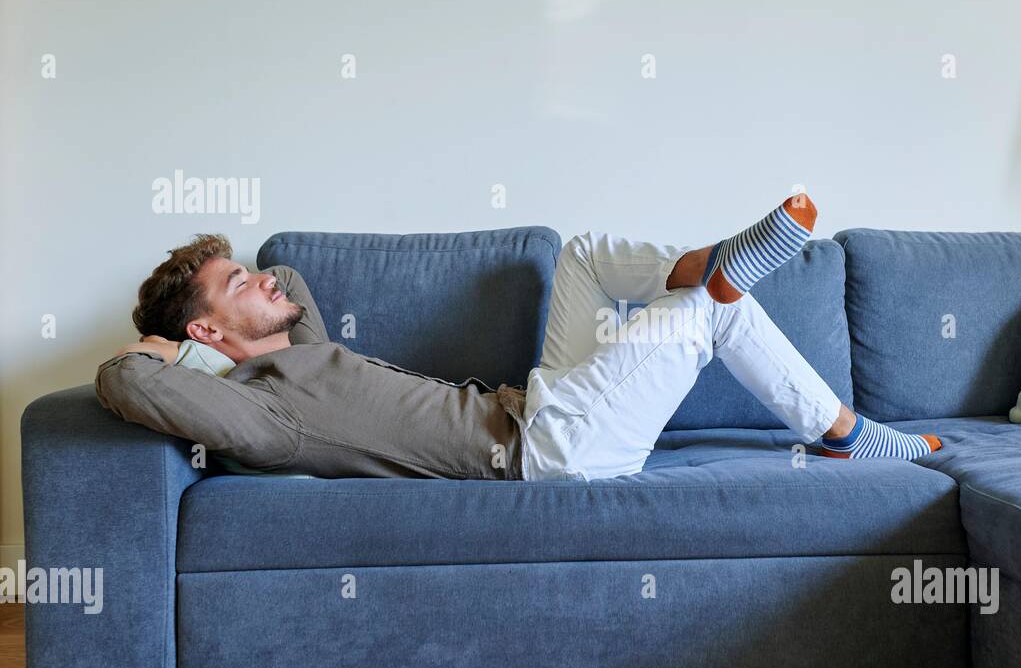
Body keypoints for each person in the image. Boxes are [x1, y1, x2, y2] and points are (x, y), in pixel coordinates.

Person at [96, 193, 940, 481]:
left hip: (539, 406)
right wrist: (166, 351)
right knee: (711, 310)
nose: (269, 279)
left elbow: (299, 283)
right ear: (205, 327)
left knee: (581, 256)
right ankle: (845, 434)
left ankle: (703, 264)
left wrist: (240, 287)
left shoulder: (296, 354)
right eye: (241, 282)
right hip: (550, 450)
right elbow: (123, 384)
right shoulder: (261, 413)